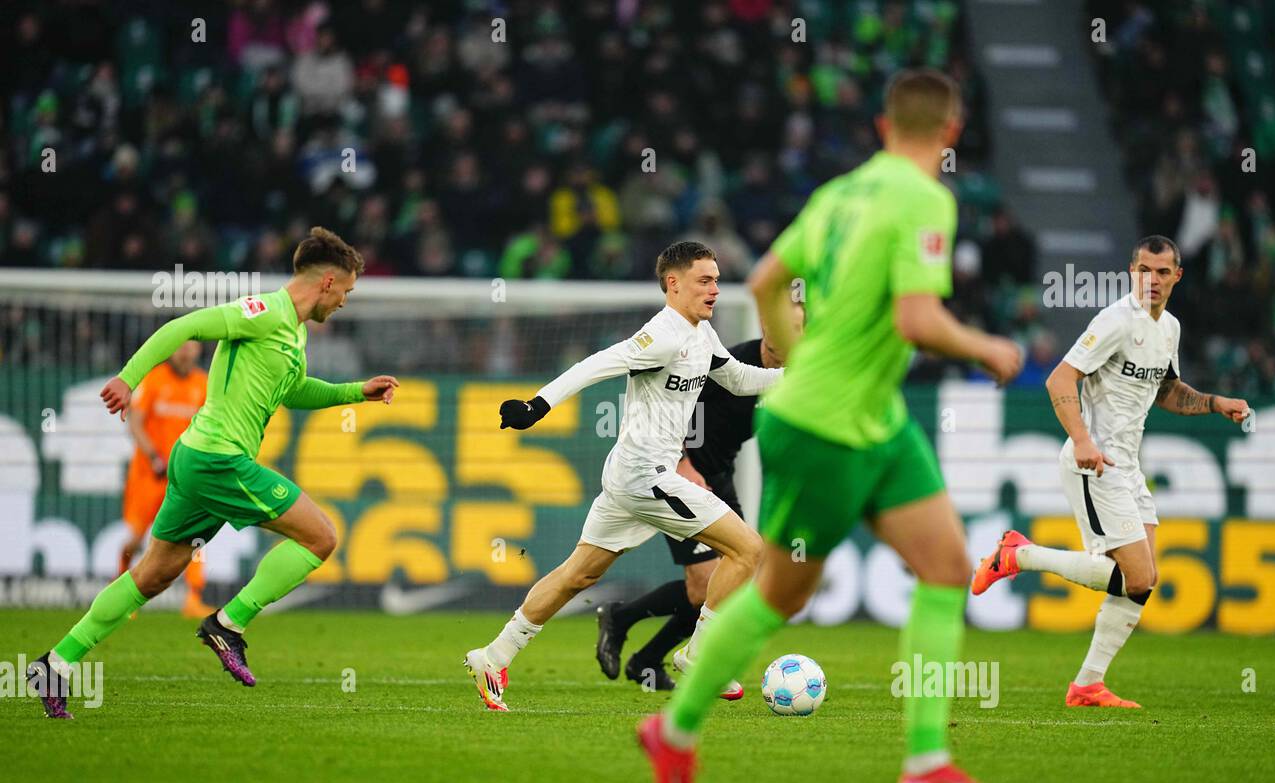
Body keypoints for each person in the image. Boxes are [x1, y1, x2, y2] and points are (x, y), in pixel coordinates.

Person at [637, 69, 1024, 783]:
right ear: (951, 131)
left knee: (947, 566)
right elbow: (917, 320)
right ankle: (674, 729)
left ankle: (928, 766)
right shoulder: (927, 198)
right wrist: (986, 348)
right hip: (828, 423)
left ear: (884, 127)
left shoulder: (839, 194)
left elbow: (765, 280)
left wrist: (798, 352)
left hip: (874, 418)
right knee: (782, 591)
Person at [26, 227, 400, 718]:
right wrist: (129, 379)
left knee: (153, 576)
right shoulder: (263, 312)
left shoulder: (294, 332)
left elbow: (293, 391)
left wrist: (355, 392)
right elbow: (184, 327)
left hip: (196, 459)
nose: (345, 301)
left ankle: (55, 662)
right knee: (321, 537)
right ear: (328, 282)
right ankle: (228, 624)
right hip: (218, 460)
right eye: (347, 291)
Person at [464, 241, 782, 711]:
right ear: (673, 284)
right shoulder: (663, 335)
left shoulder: (701, 334)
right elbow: (597, 364)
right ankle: (701, 656)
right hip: (646, 475)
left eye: (716, 280)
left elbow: (736, 378)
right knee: (748, 550)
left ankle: (493, 656)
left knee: (578, 574)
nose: (715, 289)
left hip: (630, 475)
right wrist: (537, 405)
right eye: (704, 280)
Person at [972, 235, 1250, 707]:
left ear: (1177, 276)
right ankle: (1020, 555)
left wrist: (1213, 403)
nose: (1152, 280)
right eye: (1144, 270)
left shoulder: (1169, 328)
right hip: (1096, 463)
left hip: (1128, 465)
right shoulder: (1115, 321)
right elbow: (1060, 378)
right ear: (1130, 272)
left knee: (1142, 581)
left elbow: (1166, 391)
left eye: (1162, 272)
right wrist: (1083, 440)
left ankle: (1087, 684)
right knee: (1137, 578)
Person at [596, 309, 803, 690]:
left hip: (720, 475)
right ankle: (624, 621)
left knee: (733, 579)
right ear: (765, 325)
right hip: (677, 473)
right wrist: (683, 462)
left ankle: (643, 654)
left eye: (800, 327)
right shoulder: (731, 363)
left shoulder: (793, 378)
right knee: (704, 585)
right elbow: (676, 404)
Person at [119, 339, 212, 618]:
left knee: (195, 536)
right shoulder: (154, 379)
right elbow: (135, 423)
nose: (185, 352)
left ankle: (193, 598)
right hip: (150, 473)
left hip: (184, 478)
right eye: (181, 346)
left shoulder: (203, 384)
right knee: (136, 539)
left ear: (198, 350)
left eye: (191, 346)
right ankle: (120, 592)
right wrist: (154, 457)